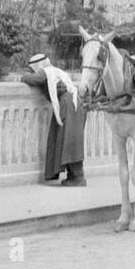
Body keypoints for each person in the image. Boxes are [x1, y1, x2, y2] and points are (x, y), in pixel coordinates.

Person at [21, 52, 86, 186]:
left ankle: (78, 178)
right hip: (74, 103)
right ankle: (75, 176)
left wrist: (25, 75)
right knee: (72, 139)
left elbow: (28, 79)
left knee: (67, 140)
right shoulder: (57, 71)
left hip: (67, 104)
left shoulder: (46, 72)